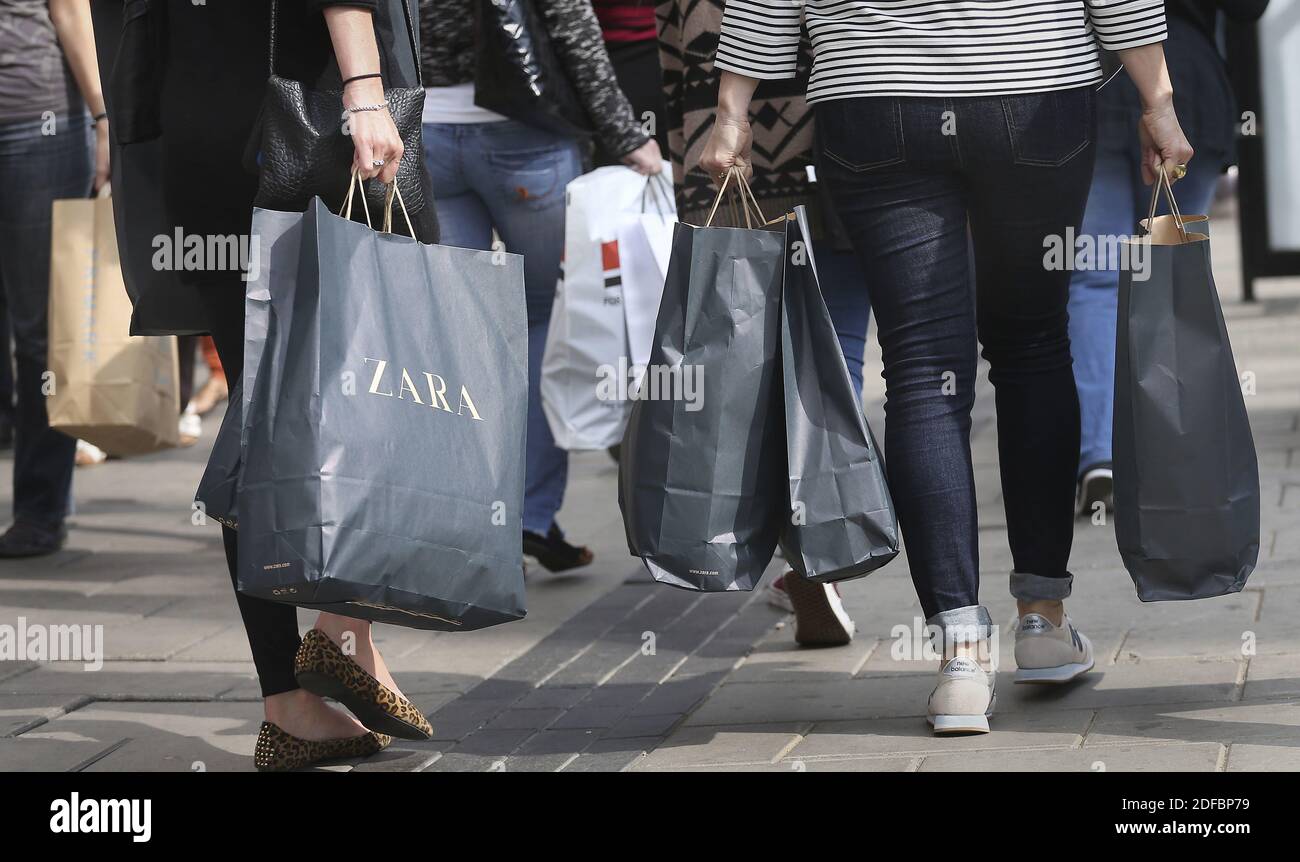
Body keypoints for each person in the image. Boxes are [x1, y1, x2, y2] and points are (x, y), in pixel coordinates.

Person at [701, 0, 1193, 734]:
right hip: (1032, 88)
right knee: (1031, 346)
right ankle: (1042, 621)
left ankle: (960, 656)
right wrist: (1157, 100)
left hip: (874, 95)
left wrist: (732, 110)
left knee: (922, 365)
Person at [92, 0, 434, 770]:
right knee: (352, 395)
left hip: (203, 127)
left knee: (263, 412)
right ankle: (344, 633)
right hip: (303, 120)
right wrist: (366, 89)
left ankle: (288, 701)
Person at [418, 0, 662, 574]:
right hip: (523, 134)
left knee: (462, 329)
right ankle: (526, 514)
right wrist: (625, 134)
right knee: (544, 319)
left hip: (422, 129)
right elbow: (572, 25)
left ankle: (471, 517)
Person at [1068, 0, 1269, 515]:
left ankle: (1100, 455)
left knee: (1095, 279)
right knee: (1171, 276)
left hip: (1085, 76)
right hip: (1182, 79)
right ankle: (1169, 456)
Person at [0, 0, 104, 558]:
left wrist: (104, 118)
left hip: (36, 128)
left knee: (40, 328)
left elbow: (71, 9)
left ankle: (40, 509)